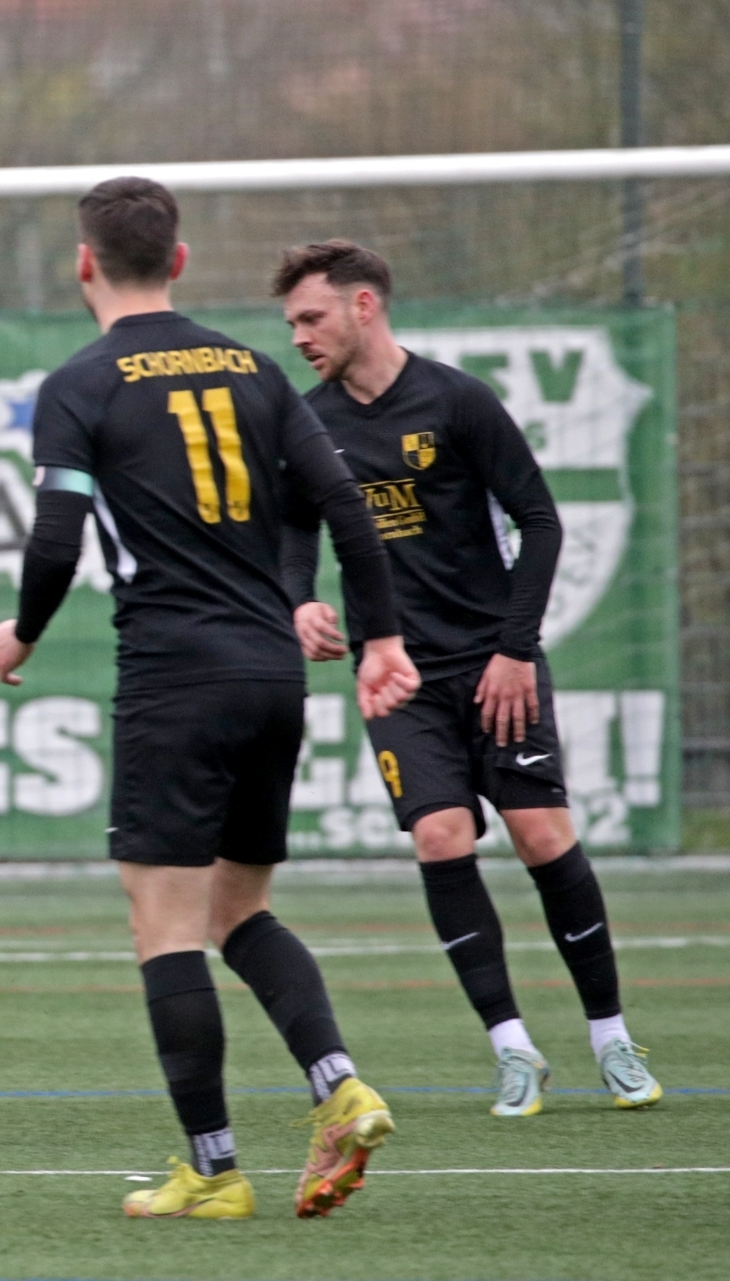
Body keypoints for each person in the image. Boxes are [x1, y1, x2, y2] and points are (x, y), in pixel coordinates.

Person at [0, 178, 420, 1221]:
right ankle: (338, 1085)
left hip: (175, 677)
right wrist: (383, 635)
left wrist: (24, 631)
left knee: (165, 925)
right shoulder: (253, 368)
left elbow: (56, 537)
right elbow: (344, 507)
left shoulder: (82, 382)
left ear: (83, 264)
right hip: (273, 673)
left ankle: (214, 1172)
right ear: (178, 261)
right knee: (241, 910)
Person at [274, 239, 661, 1116]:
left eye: (311, 316)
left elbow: (540, 522)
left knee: (539, 836)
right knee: (441, 836)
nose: (299, 335)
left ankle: (611, 1037)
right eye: (291, 321)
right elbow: (293, 532)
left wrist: (515, 648)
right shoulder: (308, 421)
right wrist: (297, 599)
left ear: (363, 304)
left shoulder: (455, 400)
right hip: (394, 672)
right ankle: (513, 1050)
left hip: (495, 664)